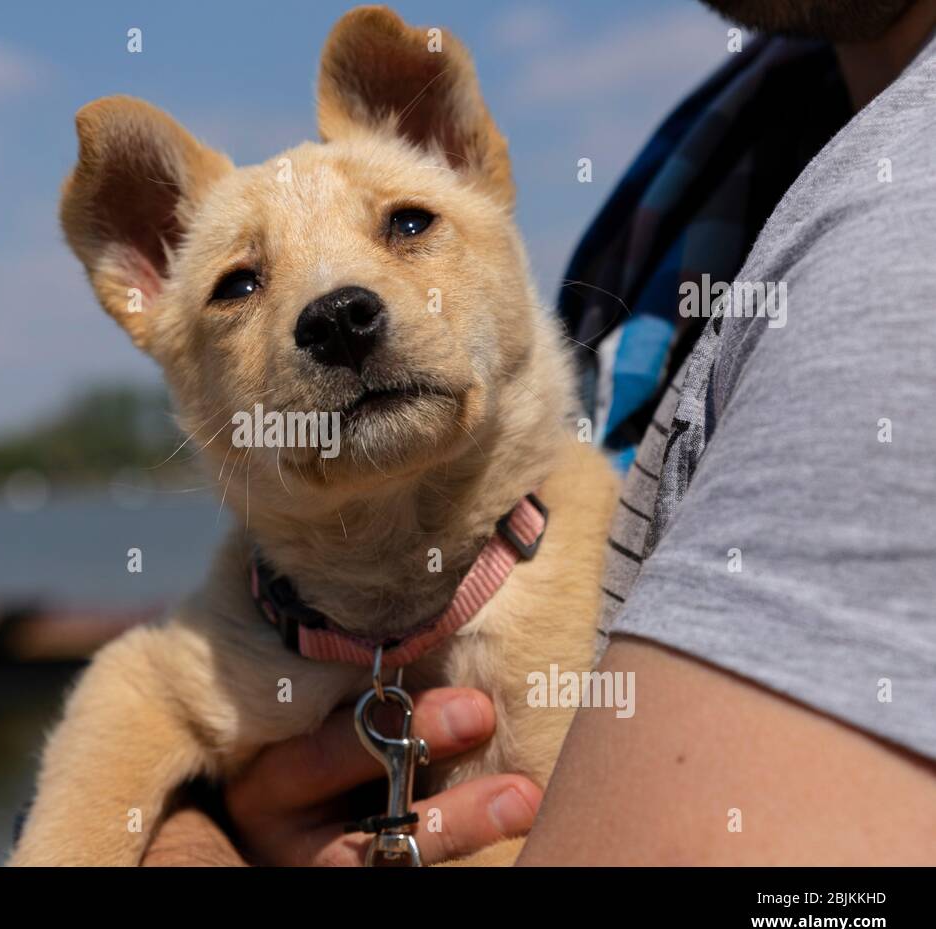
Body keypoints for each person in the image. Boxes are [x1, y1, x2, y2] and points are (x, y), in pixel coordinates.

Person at [143, 0, 936, 865]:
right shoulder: (716, 143)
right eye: (239, 284)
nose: (334, 309)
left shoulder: (898, 229)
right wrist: (211, 826)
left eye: (406, 225)